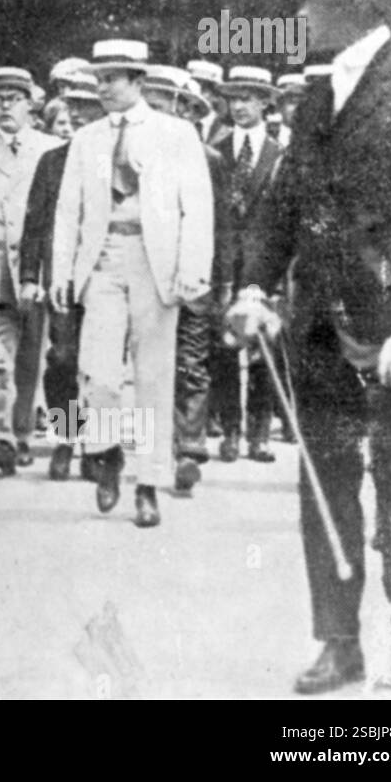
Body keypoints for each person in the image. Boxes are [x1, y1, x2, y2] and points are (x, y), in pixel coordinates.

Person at [227, 0, 391, 696]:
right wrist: (255, 285)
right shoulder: (318, 94)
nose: (303, 7)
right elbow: (281, 206)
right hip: (319, 327)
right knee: (322, 483)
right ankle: (337, 642)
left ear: (351, 4)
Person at [51, 39, 214, 528]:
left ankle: (147, 483)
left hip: (155, 262)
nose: (102, 88)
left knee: (153, 376)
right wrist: (61, 271)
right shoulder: (87, 139)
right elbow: (68, 212)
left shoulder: (176, 134)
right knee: (98, 372)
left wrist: (193, 269)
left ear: (138, 81)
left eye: (112, 79)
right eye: (97, 80)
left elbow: (197, 208)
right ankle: (105, 454)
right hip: (101, 260)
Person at [139, 67, 234, 494]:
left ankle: (190, 449)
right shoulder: (136, 156)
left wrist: (225, 279)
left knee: (192, 362)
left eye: (162, 106)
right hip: (150, 276)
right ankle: (153, 448)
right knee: (151, 367)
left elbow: (223, 225)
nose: (154, 114)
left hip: (196, 277)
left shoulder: (211, 161)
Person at [0, 67, 62, 474]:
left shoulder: (54, 149)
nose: (6, 105)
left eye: (16, 97)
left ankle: (23, 433)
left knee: (32, 360)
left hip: (37, 271)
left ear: (32, 104)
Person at [17, 75, 104, 481]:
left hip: (106, 275)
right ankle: (67, 438)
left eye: (90, 106)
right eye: (75, 107)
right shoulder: (52, 161)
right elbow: (35, 222)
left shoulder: (114, 161)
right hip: (62, 278)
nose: (82, 115)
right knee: (62, 357)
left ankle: (98, 448)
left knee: (102, 366)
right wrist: (30, 276)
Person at [211, 66, 284, 463]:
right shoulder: (214, 149)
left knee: (263, 345)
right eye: (233, 99)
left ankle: (260, 434)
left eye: (248, 98)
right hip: (222, 261)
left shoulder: (280, 154)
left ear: (265, 102)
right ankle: (230, 431)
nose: (238, 106)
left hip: (264, 264)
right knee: (224, 345)